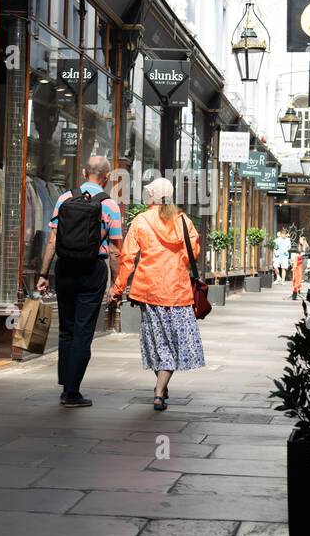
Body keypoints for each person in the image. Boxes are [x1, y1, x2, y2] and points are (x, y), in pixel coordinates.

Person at [110, 176, 205, 410]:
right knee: (172, 343)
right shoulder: (183, 221)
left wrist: (118, 288)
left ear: (152, 195)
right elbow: (192, 253)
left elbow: (128, 258)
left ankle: (159, 390)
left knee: (155, 341)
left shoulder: (141, 221)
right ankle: (161, 388)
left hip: (149, 290)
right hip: (178, 291)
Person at [36, 154, 122, 408]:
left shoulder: (64, 198)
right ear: (106, 177)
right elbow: (115, 251)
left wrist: (43, 274)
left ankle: (66, 385)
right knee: (84, 329)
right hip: (93, 269)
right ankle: (72, 391)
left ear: (84, 172)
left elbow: (52, 240)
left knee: (67, 328)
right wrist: (118, 283)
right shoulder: (110, 205)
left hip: (65, 269)